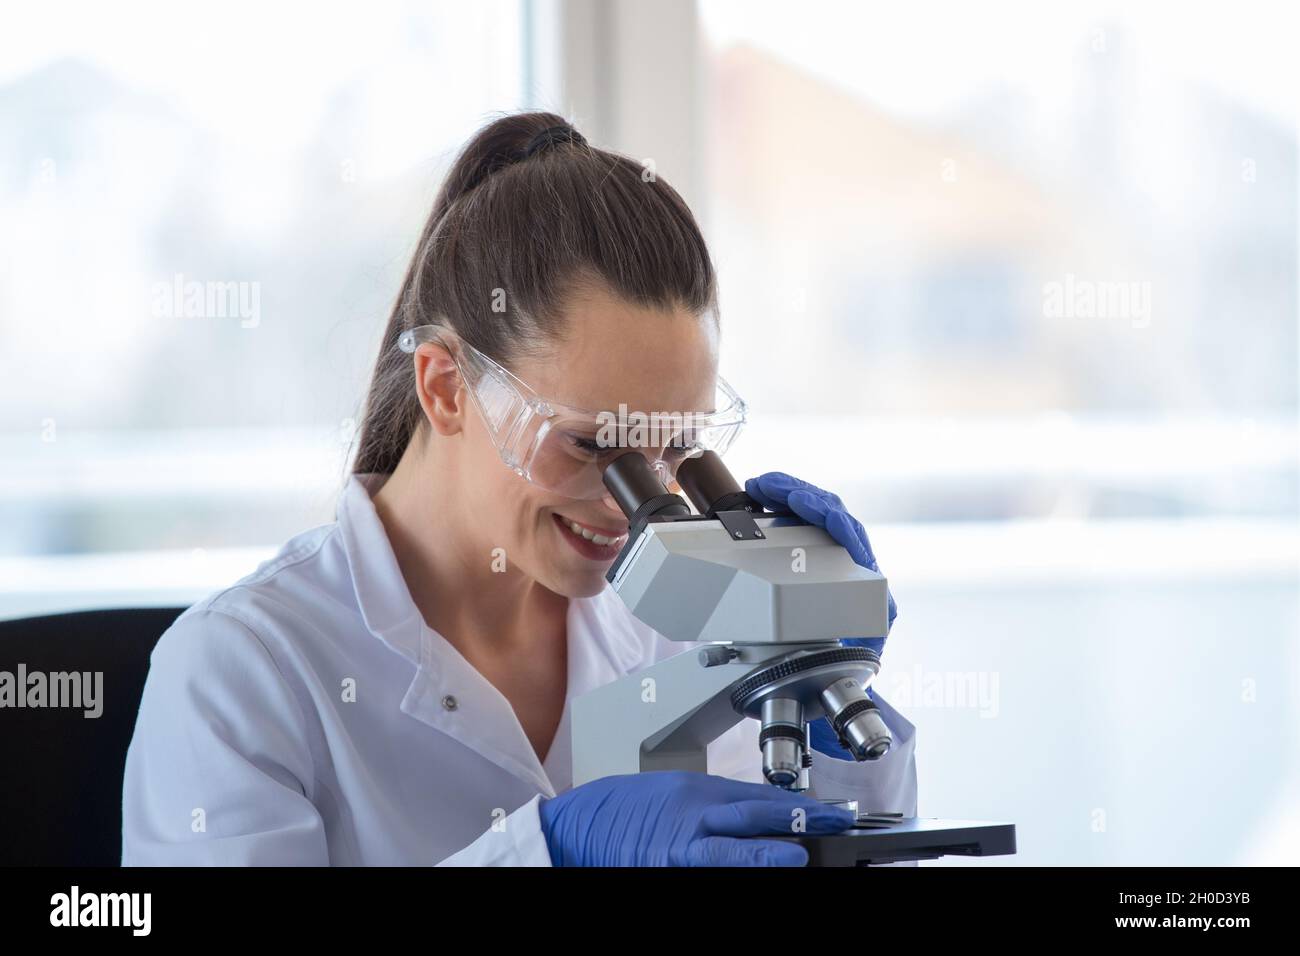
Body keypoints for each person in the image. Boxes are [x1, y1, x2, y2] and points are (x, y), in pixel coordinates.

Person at [120, 112, 916, 866]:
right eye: (588, 443)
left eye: (674, 452)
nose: (627, 505)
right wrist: (542, 852)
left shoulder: (677, 628)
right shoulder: (241, 670)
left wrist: (831, 726)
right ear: (444, 386)